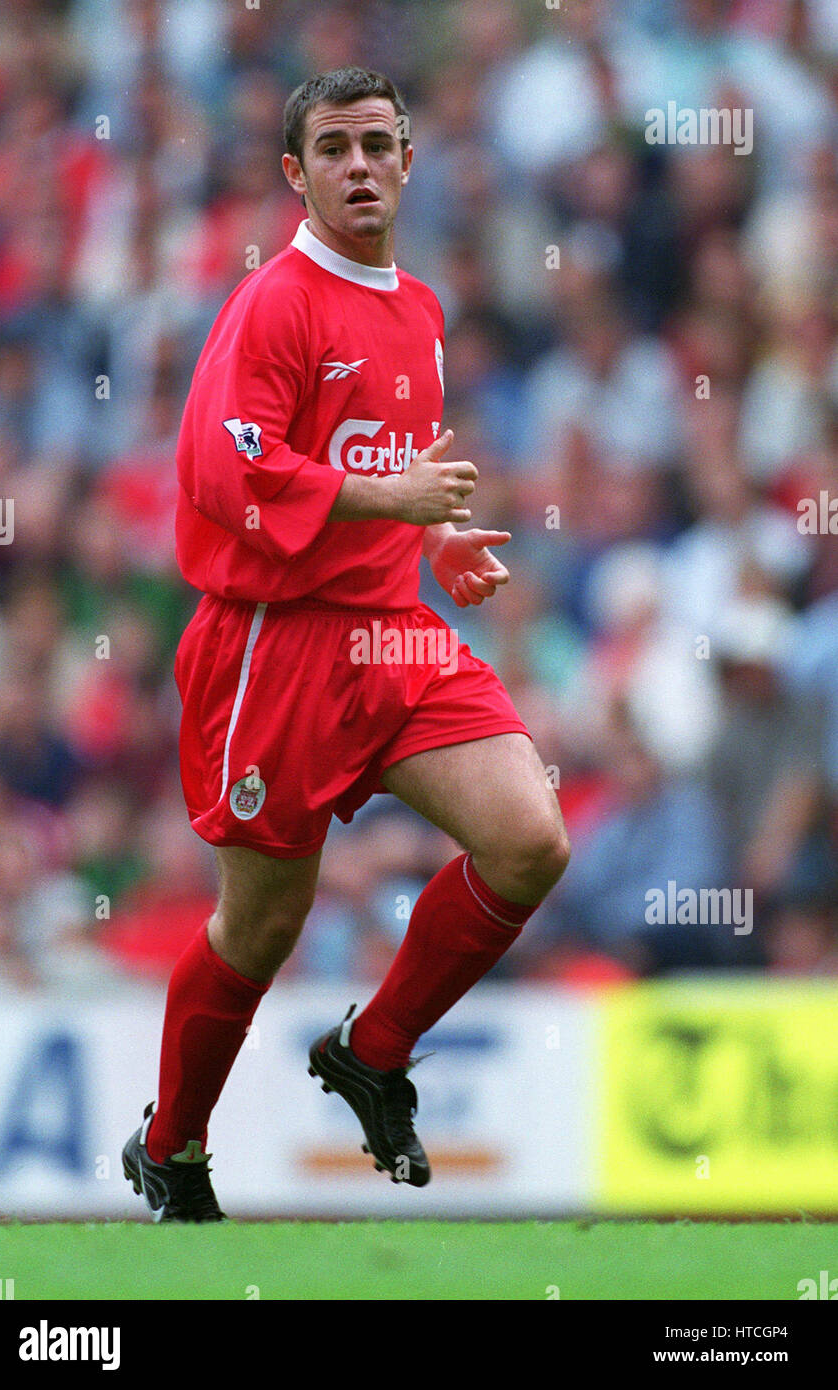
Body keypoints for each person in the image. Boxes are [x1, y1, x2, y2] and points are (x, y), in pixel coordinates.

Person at [122, 67, 570, 1221]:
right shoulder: (274, 300)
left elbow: (381, 461)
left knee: (529, 838)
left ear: (409, 163)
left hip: (393, 634)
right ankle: (171, 1147)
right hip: (275, 648)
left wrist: (441, 538)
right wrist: (399, 502)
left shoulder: (418, 308)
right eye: (333, 148)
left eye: (378, 143)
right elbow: (221, 474)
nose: (359, 165)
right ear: (297, 174)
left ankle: (372, 1050)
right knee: (261, 926)